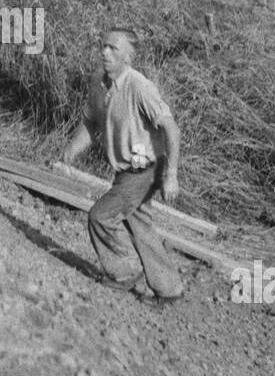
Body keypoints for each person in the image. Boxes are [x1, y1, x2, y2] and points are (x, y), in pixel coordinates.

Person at [60, 27, 184, 301]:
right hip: (125, 171)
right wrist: (70, 152)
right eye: (103, 46)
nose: (105, 52)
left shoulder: (139, 87)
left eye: (113, 48)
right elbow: (91, 124)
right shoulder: (98, 83)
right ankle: (169, 288)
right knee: (139, 224)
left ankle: (124, 273)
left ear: (129, 56)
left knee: (101, 216)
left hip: (146, 169)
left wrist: (171, 175)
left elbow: (171, 128)